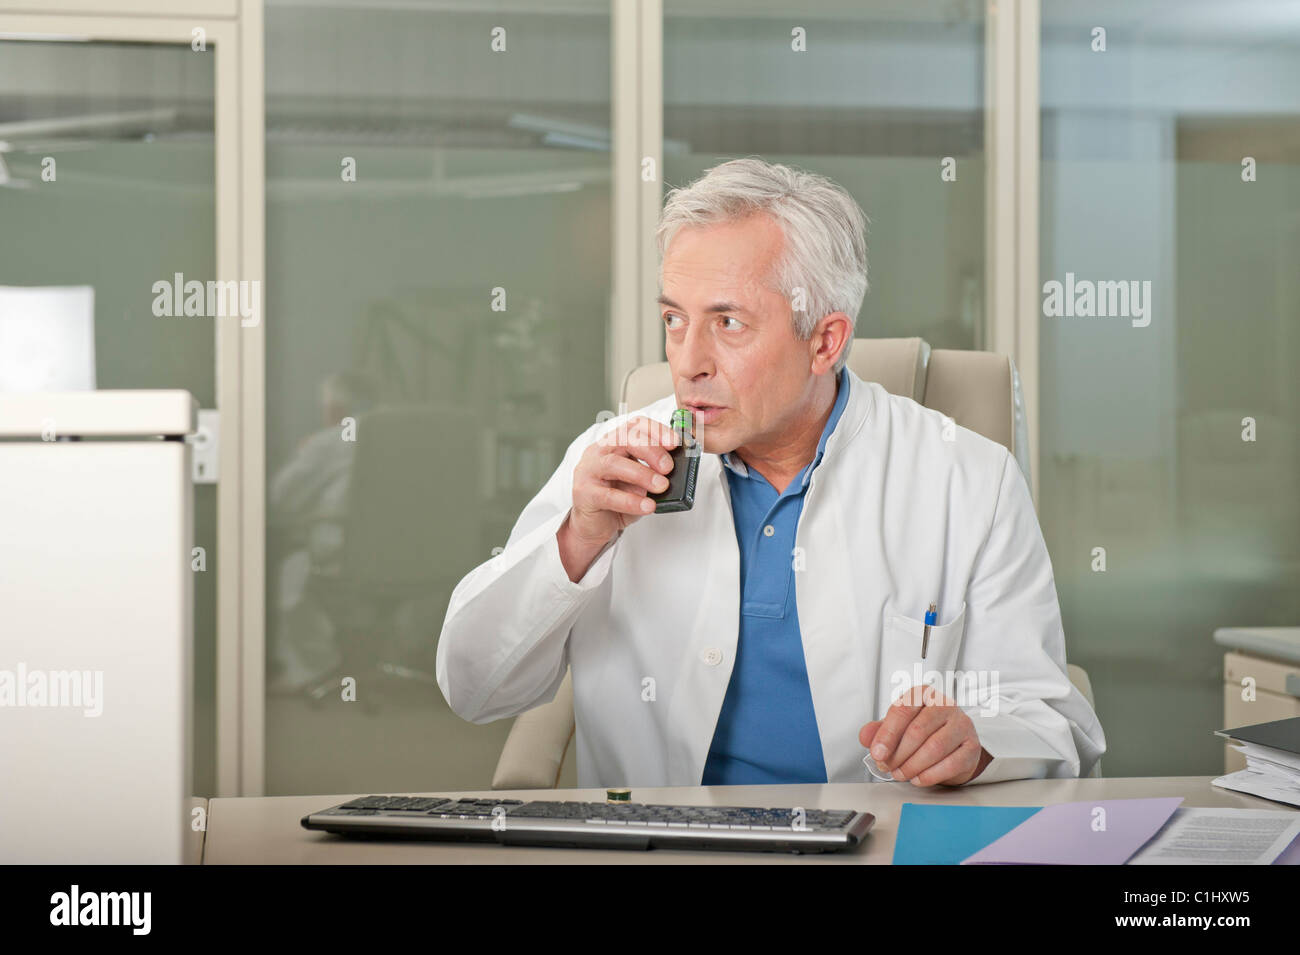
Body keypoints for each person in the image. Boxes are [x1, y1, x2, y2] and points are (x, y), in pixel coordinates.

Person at [437, 157, 1105, 788]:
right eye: (674, 320)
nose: (688, 361)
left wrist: (978, 740)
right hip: (658, 852)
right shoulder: (612, 465)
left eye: (728, 322)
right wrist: (577, 541)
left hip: (876, 850)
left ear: (824, 340)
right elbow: (473, 685)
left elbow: (1056, 720)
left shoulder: (967, 479)